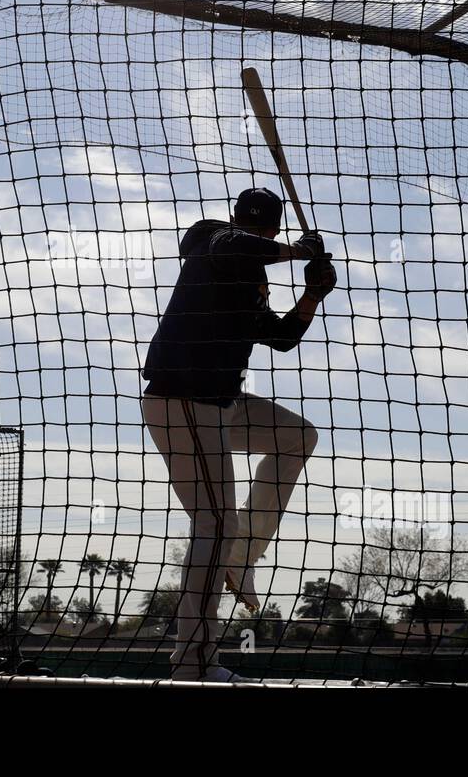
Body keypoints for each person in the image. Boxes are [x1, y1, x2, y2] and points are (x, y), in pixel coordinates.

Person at [142, 187, 337, 682]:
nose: (254, 236)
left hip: (220, 405)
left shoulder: (250, 275)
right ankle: (194, 662)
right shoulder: (212, 239)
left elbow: (281, 338)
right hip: (181, 401)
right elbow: (233, 245)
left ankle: (243, 555)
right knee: (214, 522)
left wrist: (312, 295)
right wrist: (298, 252)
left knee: (299, 436)